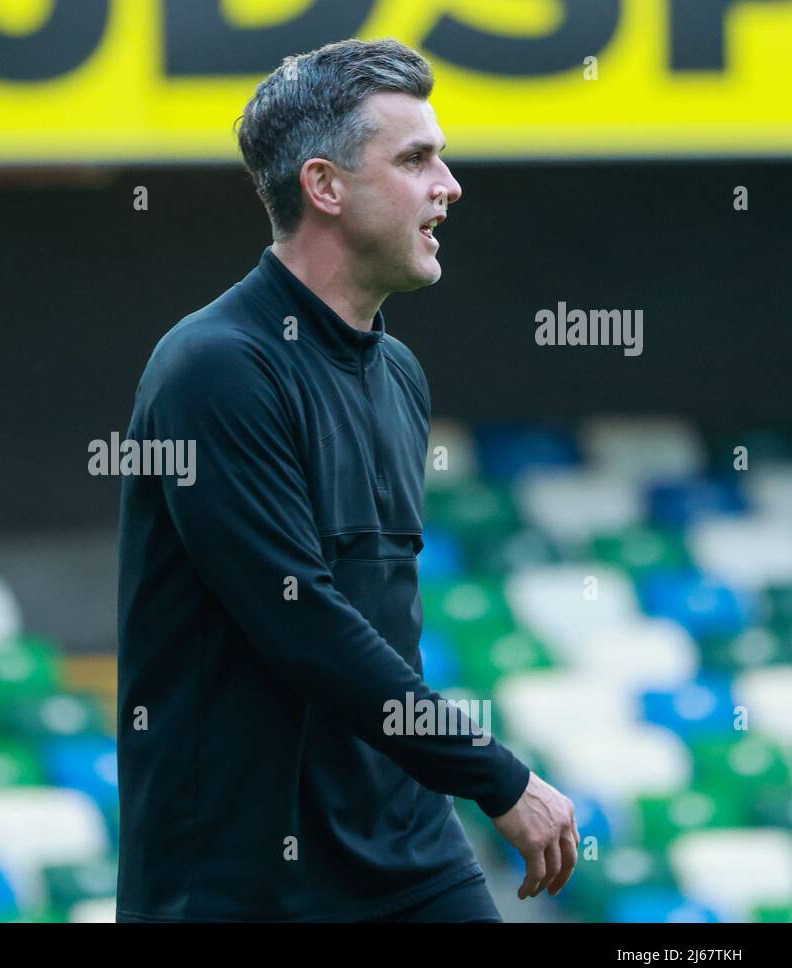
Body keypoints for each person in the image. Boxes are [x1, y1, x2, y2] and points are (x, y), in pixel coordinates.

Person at [115, 37, 579, 922]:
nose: (449, 185)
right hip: (238, 880)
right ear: (324, 187)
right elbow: (304, 621)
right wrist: (496, 774)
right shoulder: (213, 368)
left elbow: (385, 627)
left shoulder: (398, 371)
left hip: (406, 851)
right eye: (416, 159)